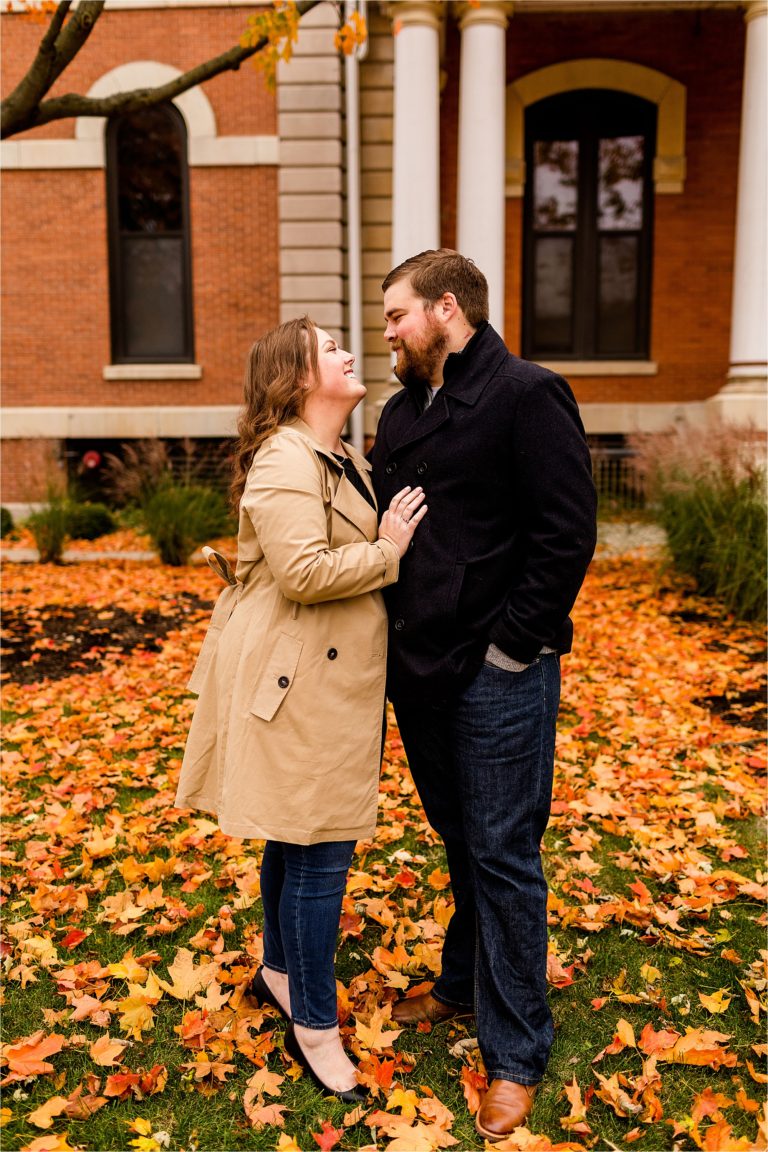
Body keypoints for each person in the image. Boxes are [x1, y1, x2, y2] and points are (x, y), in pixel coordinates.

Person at [369, 250, 597, 1141]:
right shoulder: (400, 412)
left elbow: (566, 533)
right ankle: (463, 983)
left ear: (446, 308)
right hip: (418, 668)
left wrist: (513, 647)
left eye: (397, 314)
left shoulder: (526, 395)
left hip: (497, 672)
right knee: (461, 839)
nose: (387, 332)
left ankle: (515, 1052)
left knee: (503, 854)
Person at [175, 316, 426, 1102]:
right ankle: (314, 1026)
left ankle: (279, 972)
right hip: (298, 680)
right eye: (330, 349)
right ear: (297, 378)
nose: (349, 353)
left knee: (295, 835)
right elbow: (303, 573)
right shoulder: (286, 457)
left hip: (324, 675)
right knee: (319, 852)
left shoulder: (342, 453)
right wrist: (389, 551)